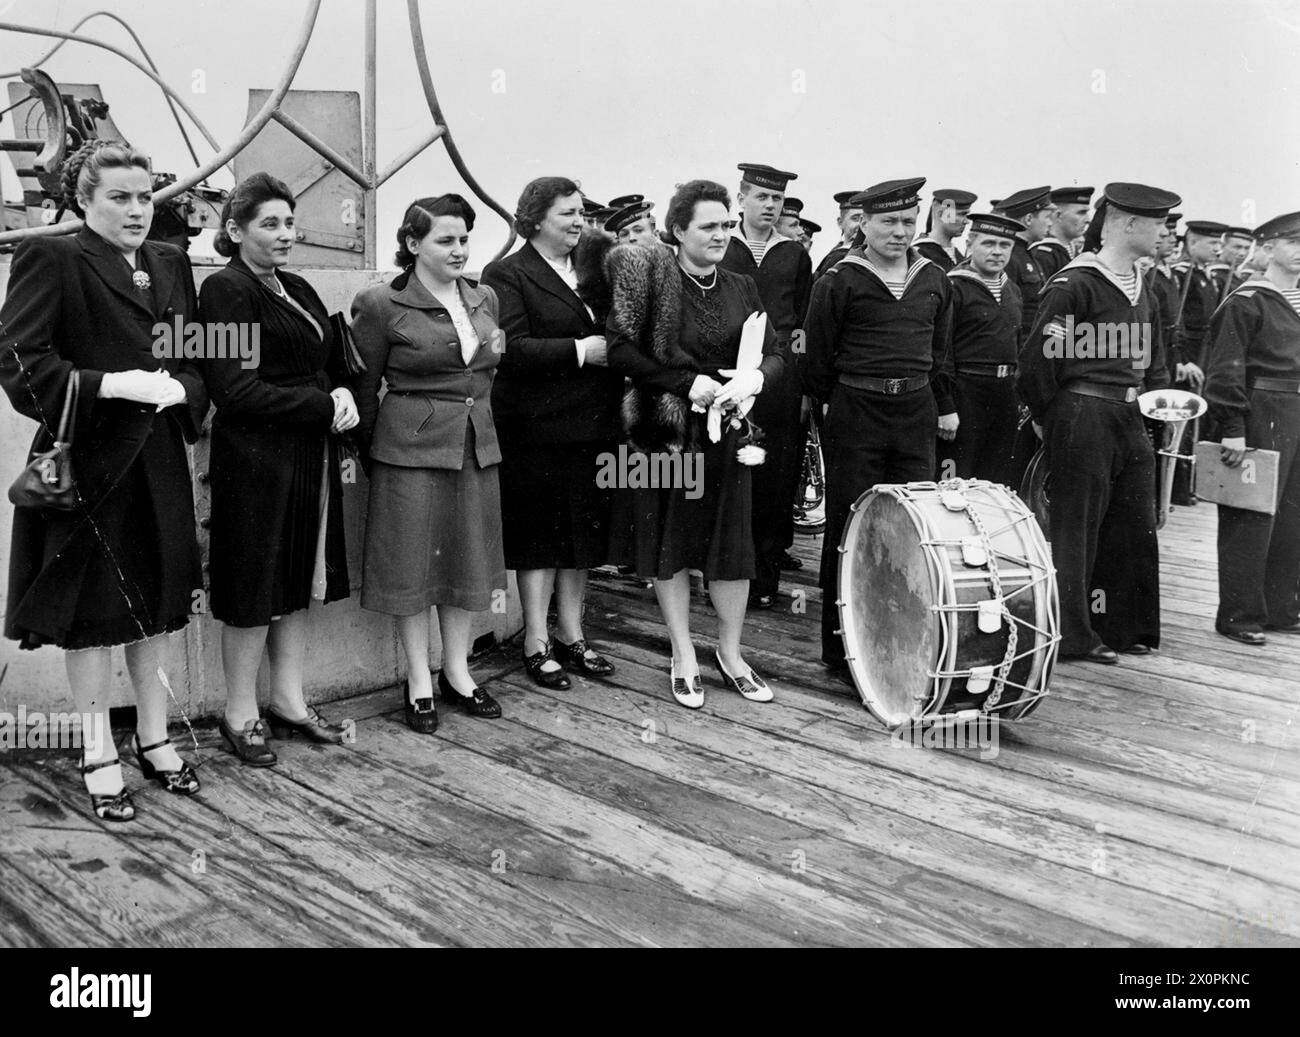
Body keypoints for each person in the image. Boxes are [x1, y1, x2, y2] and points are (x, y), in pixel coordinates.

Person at [0, 140, 207, 820]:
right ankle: (96, 748)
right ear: (81, 200)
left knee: (158, 603)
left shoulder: (171, 263)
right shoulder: (51, 256)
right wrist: (106, 384)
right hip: (88, 460)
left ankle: (152, 734)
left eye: (144, 196)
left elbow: (197, 352)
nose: (136, 209)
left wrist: (185, 391)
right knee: (91, 614)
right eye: (118, 196)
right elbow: (21, 363)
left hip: (159, 461)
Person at [200, 172, 356, 766]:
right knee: (252, 585)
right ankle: (239, 713)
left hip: (306, 453)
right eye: (270, 223)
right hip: (255, 459)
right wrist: (323, 404)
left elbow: (328, 358)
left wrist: (340, 391)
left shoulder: (297, 287)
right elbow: (234, 390)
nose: (285, 234)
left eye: (290, 222)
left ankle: (288, 702)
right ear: (235, 230)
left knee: (294, 577)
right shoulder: (224, 291)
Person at [607, 179, 782, 707]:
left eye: (727, 225)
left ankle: (731, 653)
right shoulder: (651, 279)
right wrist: (686, 384)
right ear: (677, 230)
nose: (721, 234)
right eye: (708, 226)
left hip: (728, 431)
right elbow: (619, 352)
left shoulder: (741, 285)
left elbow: (772, 352)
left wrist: (757, 380)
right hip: (667, 433)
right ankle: (683, 653)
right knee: (671, 537)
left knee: (732, 543)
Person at [351, 194, 507, 727]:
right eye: (446, 240)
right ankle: (419, 678)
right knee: (411, 565)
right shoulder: (380, 304)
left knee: (466, 560)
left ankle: (458, 672)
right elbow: (365, 385)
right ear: (413, 244)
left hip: (474, 447)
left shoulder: (484, 297)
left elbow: (487, 374)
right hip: (408, 452)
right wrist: (379, 454)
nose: (459, 249)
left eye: (464, 238)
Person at [1017, 182, 1179, 664]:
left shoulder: (1139, 282)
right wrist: (1051, 417)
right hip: (1083, 411)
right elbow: (1037, 362)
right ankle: (1073, 634)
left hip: (1130, 415)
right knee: (1076, 527)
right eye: (1158, 224)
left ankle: (1125, 626)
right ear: (1129, 224)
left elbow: (1151, 354)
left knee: (1134, 521)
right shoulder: (1077, 282)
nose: (1164, 232)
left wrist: (1155, 402)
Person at [802, 177, 957, 676]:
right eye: (888, 222)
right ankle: (843, 647)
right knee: (851, 526)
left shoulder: (934, 277)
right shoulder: (839, 280)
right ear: (863, 223)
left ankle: (906, 635)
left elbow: (941, 354)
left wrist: (944, 405)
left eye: (908, 222)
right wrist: (831, 406)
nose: (899, 231)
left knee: (914, 524)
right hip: (857, 411)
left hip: (915, 411)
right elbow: (816, 356)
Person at [482, 177, 623, 687]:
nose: (579, 222)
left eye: (581, 212)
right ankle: (535, 641)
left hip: (593, 424)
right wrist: (583, 350)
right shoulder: (507, 273)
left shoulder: (594, 270)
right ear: (535, 218)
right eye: (567, 214)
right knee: (540, 537)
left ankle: (572, 633)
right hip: (535, 429)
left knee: (582, 534)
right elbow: (509, 347)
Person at [720, 163, 812, 608]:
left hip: (778, 380)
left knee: (774, 476)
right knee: (728, 469)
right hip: (727, 377)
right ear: (742, 199)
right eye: (761, 197)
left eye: (776, 199)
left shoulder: (794, 253)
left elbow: (802, 322)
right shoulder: (724, 245)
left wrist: (796, 376)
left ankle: (764, 579)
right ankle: (720, 570)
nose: (770, 206)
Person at [1205, 212, 1300, 645]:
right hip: (1261, 409)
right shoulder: (1248, 300)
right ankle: (1239, 614)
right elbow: (1225, 371)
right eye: (1292, 243)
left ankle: (1280, 608)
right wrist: (1232, 426)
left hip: (1296, 409)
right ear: (1267, 250)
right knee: (1251, 514)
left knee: (1292, 516)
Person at [937, 213, 1024, 484]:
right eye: (988, 243)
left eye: (1004, 245)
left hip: (1003, 394)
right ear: (971, 243)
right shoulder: (954, 286)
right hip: (965, 394)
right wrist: (945, 407)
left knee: (995, 480)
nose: (997, 252)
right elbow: (942, 352)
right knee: (955, 476)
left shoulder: (1013, 291)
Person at [1168, 219, 1226, 504]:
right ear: (1192, 243)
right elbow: (1176, 322)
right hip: (1187, 358)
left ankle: (1188, 484)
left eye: (1219, 243)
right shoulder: (1182, 274)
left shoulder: (1206, 276)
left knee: (1195, 420)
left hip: (1203, 356)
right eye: (1212, 243)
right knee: (1182, 421)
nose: (1219, 249)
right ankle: (1178, 487)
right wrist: (1183, 359)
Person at [999, 186, 1054, 339]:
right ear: (1029, 219)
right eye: (1047, 217)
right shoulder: (1010, 256)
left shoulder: (1027, 255)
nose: (1050, 223)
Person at [1031, 187, 1094, 280]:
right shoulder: (1044, 256)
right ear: (1058, 215)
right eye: (1081, 212)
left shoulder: (1068, 251)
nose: (1088, 220)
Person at [913, 188, 976, 271]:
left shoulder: (958, 256)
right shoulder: (919, 254)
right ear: (941, 214)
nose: (966, 221)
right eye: (961, 214)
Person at [812, 190, 865, 283]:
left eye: (864, 219)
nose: (861, 225)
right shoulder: (838, 256)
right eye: (855, 218)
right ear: (840, 222)